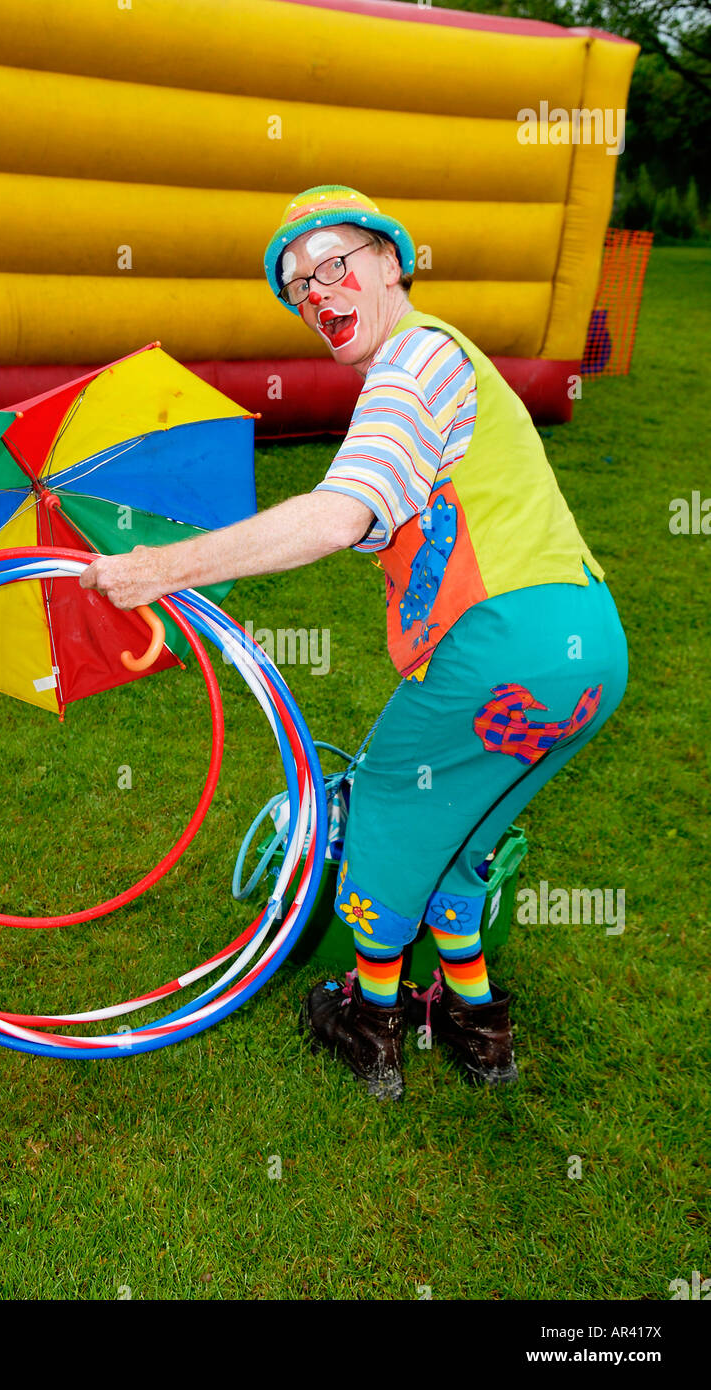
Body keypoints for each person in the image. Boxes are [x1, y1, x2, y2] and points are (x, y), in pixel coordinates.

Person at [80, 184, 628, 1102]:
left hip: (499, 649)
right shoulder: (443, 370)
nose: (316, 292)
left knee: (382, 800)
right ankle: (478, 1024)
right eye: (298, 286)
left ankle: (367, 1019)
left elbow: (336, 517)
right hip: (587, 657)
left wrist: (162, 570)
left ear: (389, 261)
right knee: (461, 831)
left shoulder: (414, 361)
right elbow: (380, 526)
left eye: (333, 264)